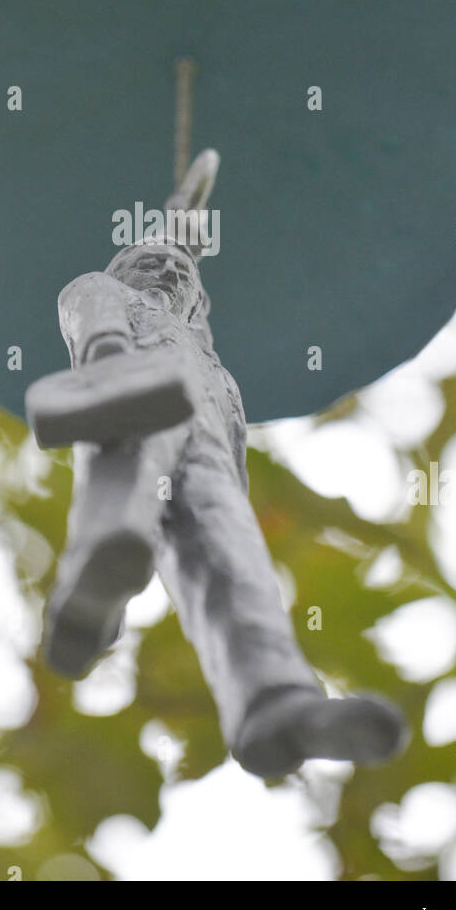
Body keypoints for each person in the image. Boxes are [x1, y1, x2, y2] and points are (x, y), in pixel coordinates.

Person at [25, 155, 406, 777]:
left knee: (233, 562)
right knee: (126, 485)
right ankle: (94, 584)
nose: (166, 271)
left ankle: (274, 700)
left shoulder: (215, 367)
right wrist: (111, 352)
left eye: (179, 270)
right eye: (151, 262)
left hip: (206, 449)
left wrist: (230, 492)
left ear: (197, 300)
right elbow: (85, 307)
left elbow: (230, 445)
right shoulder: (107, 290)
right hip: (134, 397)